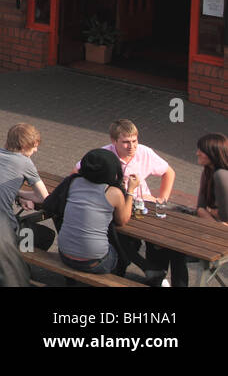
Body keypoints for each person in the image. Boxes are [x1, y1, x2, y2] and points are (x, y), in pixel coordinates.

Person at [73, 119, 183, 285]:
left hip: (142, 205)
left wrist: (162, 199)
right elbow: (76, 172)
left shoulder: (144, 152)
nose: (131, 146)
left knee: (158, 239)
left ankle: (154, 274)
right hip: (114, 206)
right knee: (118, 233)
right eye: (125, 142)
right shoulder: (103, 156)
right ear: (113, 141)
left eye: (134, 141)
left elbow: (169, 172)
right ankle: (140, 271)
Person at [46, 148, 135, 276]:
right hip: (94, 262)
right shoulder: (113, 192)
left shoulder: (73, 182)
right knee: (120, 253)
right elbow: (122, 220)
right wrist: (130, 190)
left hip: (65, 254)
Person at [0, 122, 54, 251]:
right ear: (24, 146)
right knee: (47, 235)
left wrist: (18, 194)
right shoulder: (25, 163)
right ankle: (19, 261)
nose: (36, 150)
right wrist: (22, 194)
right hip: (4, 228)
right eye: (34, 147)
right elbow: (45, 199)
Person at [195, 132, 228, 225]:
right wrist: (212, 213)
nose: (197, 153)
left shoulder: (222, 175)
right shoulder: (207, 172)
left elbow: (225, 217)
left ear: (214, 153)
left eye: (202, 151)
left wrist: (212, 213)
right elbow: (200, 208)